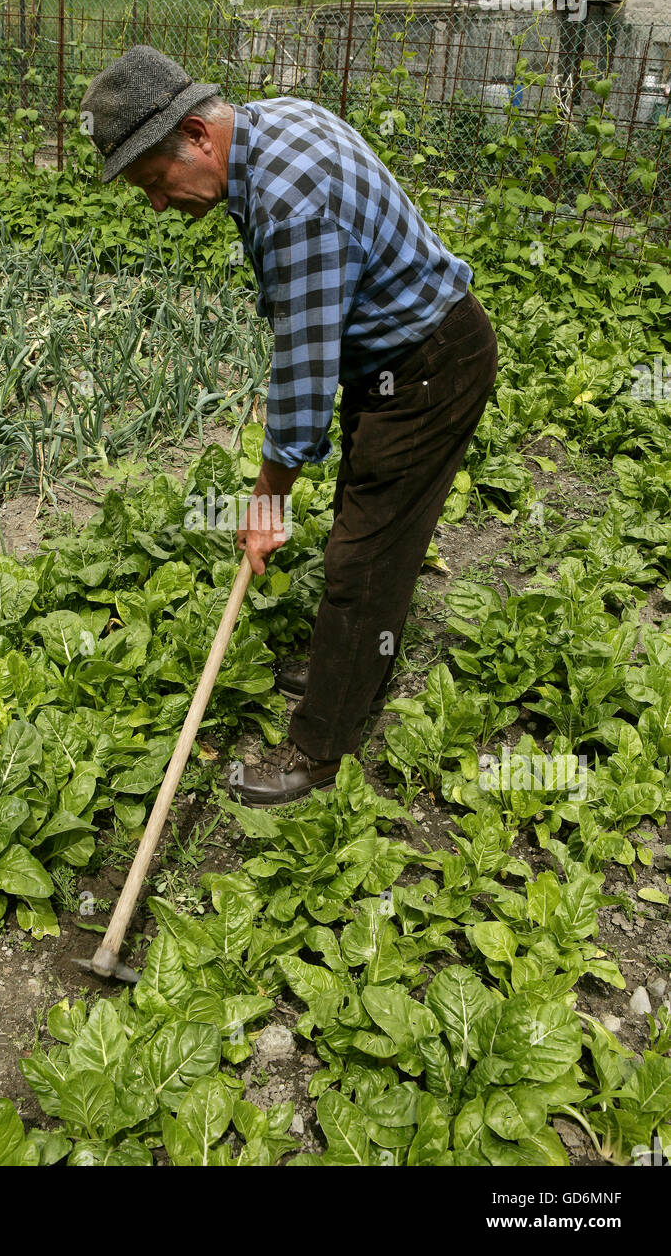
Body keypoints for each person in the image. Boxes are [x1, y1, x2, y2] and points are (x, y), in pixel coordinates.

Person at [81, 46, 497, 807]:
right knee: (363, 531)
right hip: (400, 354)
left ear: (199, 137)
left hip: (430, 365)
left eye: (154, 182)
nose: (158, 205)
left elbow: (305, 374)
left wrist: (266, 501)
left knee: (364, 554)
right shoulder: (271, 126)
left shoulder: (291, 203)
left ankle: (320, 746)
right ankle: (352, 665)